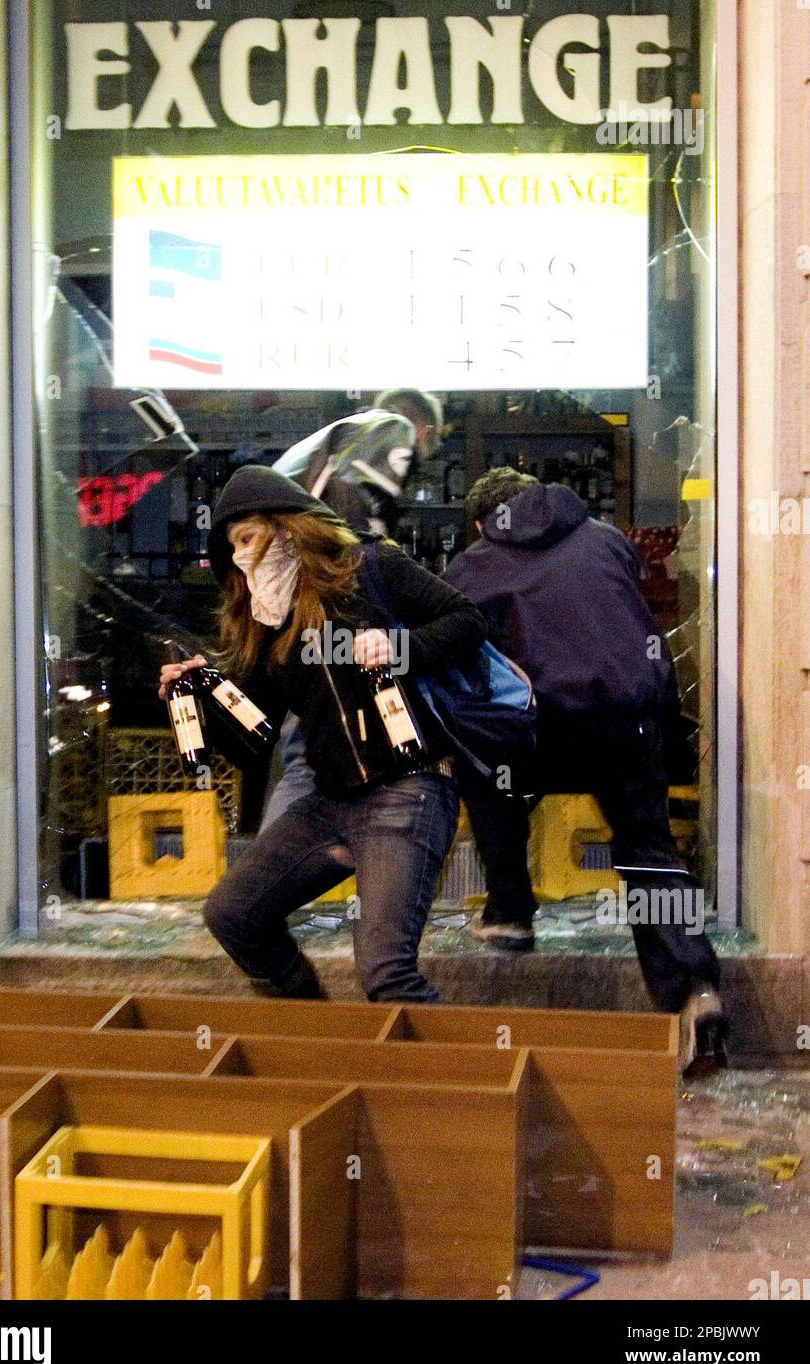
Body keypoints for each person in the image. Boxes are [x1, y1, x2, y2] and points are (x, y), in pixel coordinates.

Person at [158, 464, 485, 1003]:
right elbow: (255, 741)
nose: (241, 556)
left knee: (386, 972)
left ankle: (468, 1079)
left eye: (248, 537)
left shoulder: (372, 565)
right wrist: (201, 694)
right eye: (232, 546)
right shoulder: (270, 626)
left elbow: (466, 621)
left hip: (407, 787)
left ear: (287, 527)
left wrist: (399, 649)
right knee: (233, 913)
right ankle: (311, 1026)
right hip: (329, 801)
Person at [445, 467, 728, 1077]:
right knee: (647, 851)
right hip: (632, 715)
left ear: (480, 522)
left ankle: (510, 913)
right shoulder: (604, 537)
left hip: (545, 726)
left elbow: (463, 656)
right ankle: (696, 990)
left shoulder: (473, 564)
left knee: (486, 769)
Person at [261, 390, 443, 828]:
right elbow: (354, 505)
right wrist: (365, 578)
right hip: (330, 601)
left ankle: (277, 862)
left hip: (299, 597)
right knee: (314, 741)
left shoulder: (338, 438)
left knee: (304, 737)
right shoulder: (391, 429)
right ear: (426, 430)